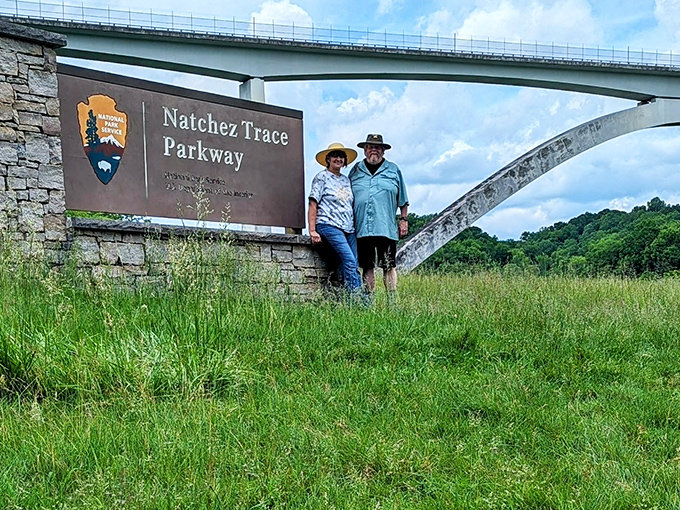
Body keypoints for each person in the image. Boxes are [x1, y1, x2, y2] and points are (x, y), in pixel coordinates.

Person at [349, 134, 409, 299]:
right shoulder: (355, 170)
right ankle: (368, 300)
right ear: (364, 150)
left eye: (377, 147)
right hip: (362, 228)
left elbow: (403, 199)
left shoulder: (393, 170)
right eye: (370, 147)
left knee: (389, 265)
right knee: (367, 266)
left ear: (383, 150)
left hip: (386, 227)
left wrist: (403, 220)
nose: (373, 150)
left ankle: (392, 301)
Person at [308, 142, 362, 296]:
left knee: (352, 263)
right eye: (334, 156)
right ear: (328, 159)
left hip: (348, 227)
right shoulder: (321, 177)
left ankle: (351, 297)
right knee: (349, 260)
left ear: (345, 160)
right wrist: (312, 230)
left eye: (341, 156)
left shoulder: (346, 180)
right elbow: (313, 203)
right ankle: (358, 301)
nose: (338, 159)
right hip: (328, 224)